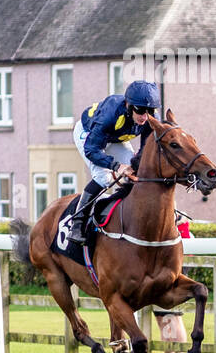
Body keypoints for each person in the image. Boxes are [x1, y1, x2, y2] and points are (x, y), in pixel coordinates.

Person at [66, 80, 161, 242]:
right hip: (89, 135)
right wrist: (116, 166)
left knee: (136, 174)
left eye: (150, 111)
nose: (145, 116)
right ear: (128, 105)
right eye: (140, 110)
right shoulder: (110, 115)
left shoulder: (150, 119)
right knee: (104, 178)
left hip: (115, 138)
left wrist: (133, 167)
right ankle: (77, 223)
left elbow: (144, 150)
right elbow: (91, 149)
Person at [153, 215, 192, 353]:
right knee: (163, 319)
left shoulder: (181, 228)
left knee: (174, 318)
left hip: (173, 277)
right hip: (160, 276)